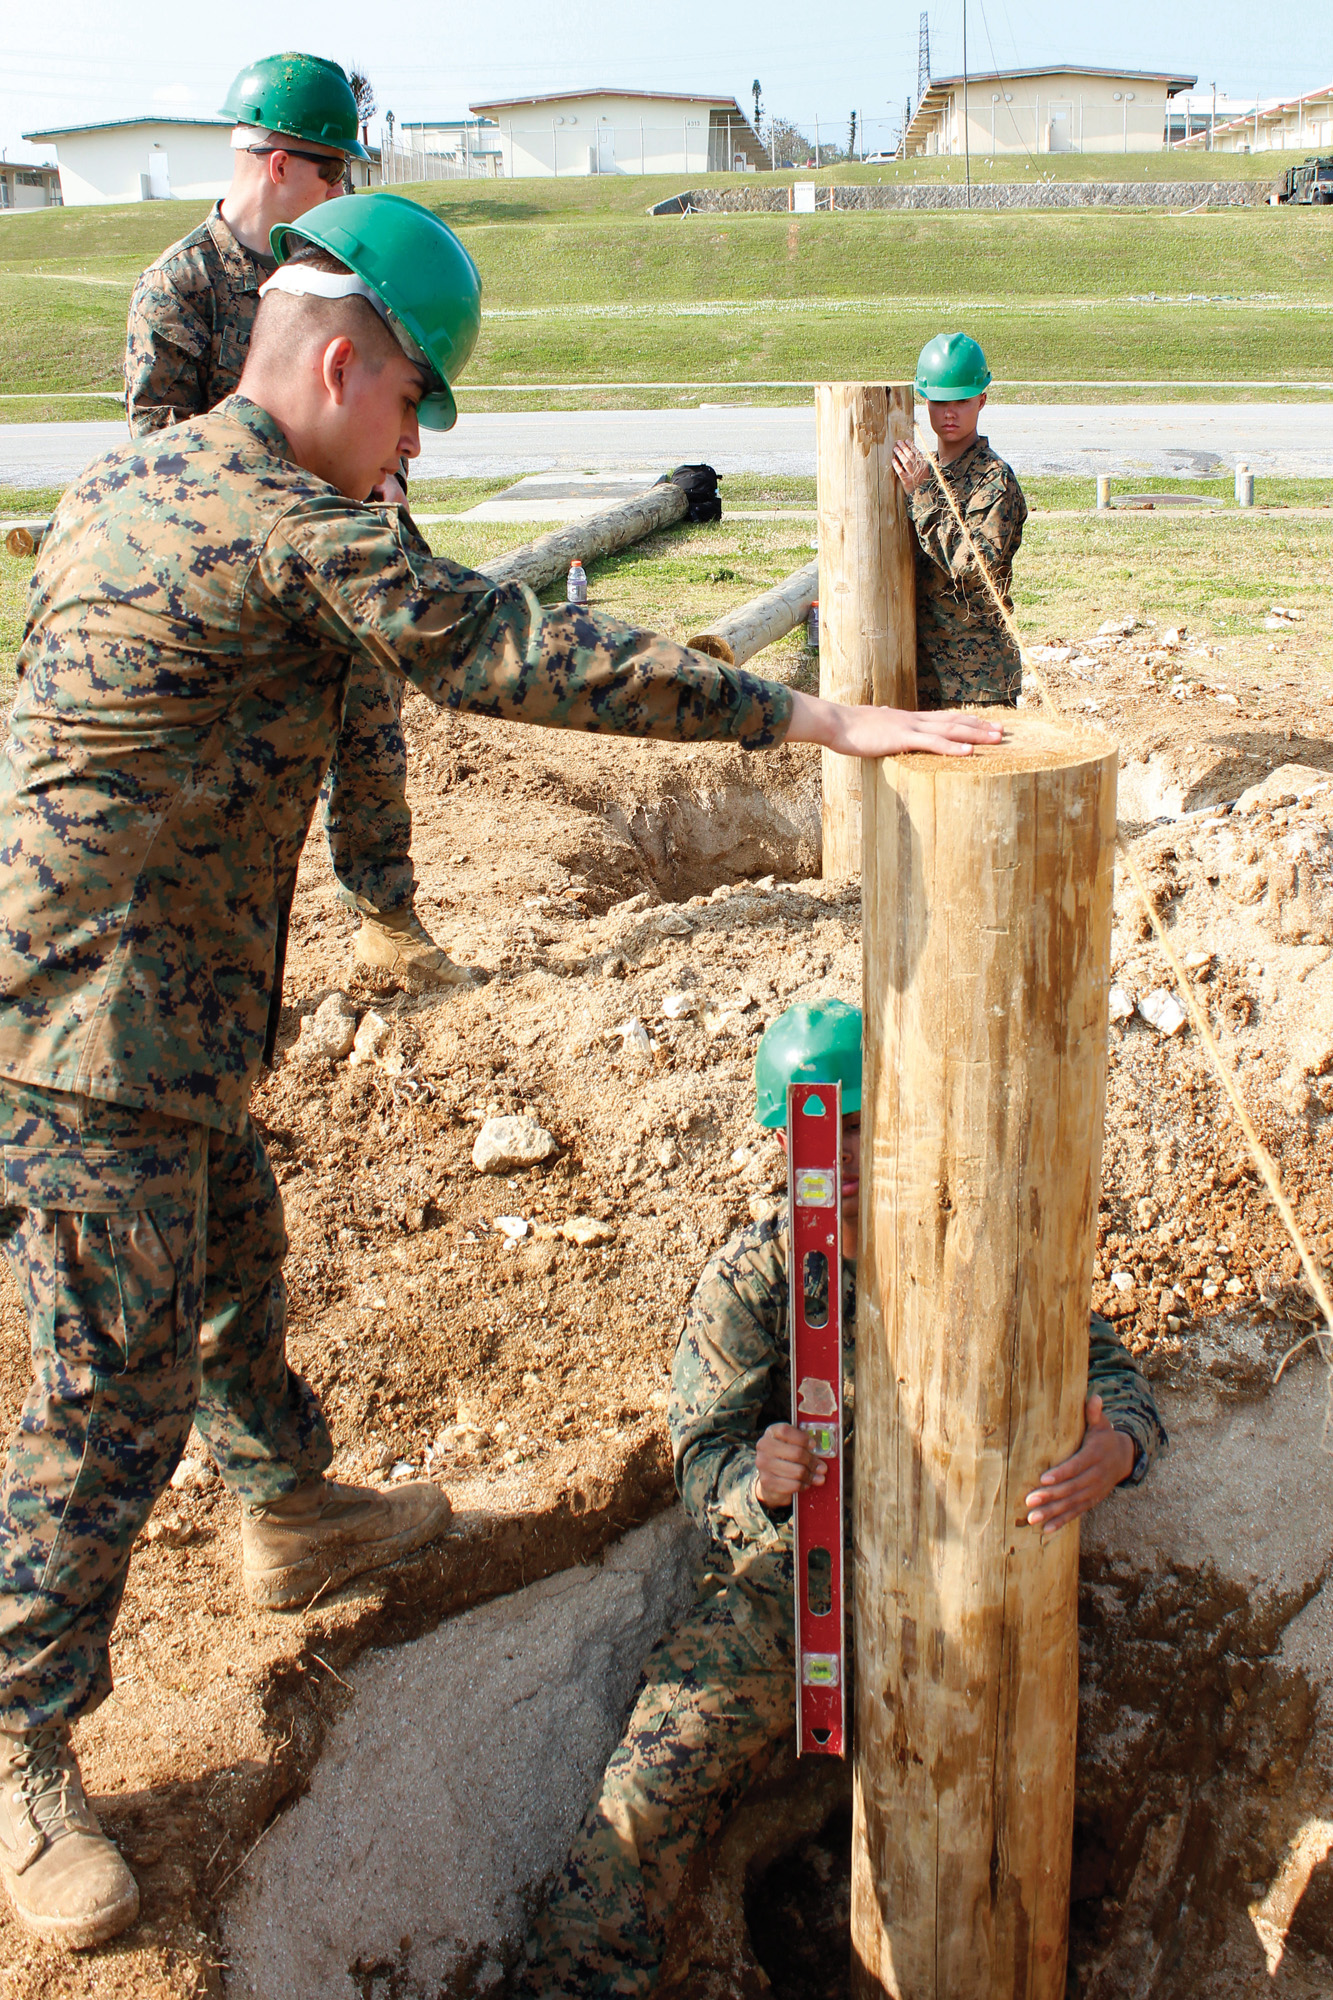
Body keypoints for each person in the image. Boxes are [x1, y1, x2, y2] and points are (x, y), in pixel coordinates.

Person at [0, 193, 1000, 1951]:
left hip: (144, 1012)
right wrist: (819, 717)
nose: (413, 448)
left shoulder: (128, 482)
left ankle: (287, 1506)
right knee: (105, 1401)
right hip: (96, 1041)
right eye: (412, 406)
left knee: (233, 1243)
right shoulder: (289, 526)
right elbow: (514, 648)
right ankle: (19, 1742)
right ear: (339, 366)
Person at [514, 1000, 1167, 1998]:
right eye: (816, 1127)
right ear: (781, 1139)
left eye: (861, 1124)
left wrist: (1115, 1446)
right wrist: (757, 1482)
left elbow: (1108, 1371)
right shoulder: (757, 1276)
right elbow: (700, 1452)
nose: (842, 1153)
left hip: (961, 1566)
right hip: (797, 1580)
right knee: (657, 1779)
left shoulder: (978, 1250)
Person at [123, 51, 463, 992]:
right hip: (233, 573)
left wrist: (384, 490)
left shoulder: (331, 270)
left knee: (371, 718)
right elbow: (160, 451)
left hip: (339, 545)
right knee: (224, 761)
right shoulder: (180, 287)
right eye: (332, 168)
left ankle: (384, 916)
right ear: (279, 162)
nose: (341, 189)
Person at [891, 332, 1029, 709]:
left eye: (962, 401)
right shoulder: (923, 471)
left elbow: (972, 565)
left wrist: (922, 494)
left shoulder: (993, 480)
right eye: (939, 402)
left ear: (981, 399)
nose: (949, 413)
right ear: (925, 401)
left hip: (976, 682)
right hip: (921, 674)